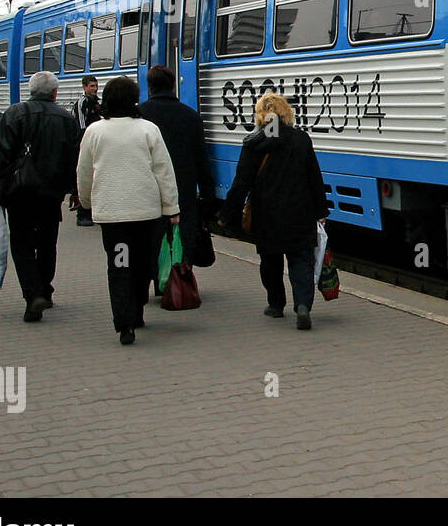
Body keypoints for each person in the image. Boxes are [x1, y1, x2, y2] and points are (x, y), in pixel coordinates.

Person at [77, 77, 180, 345]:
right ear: (135, 98)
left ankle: (125, 322)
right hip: (146, 213)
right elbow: (164, 172)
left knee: (119, 265)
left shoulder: (94, 132)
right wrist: (171, 208)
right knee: (142, 265)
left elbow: (84, 172)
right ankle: (136, 310)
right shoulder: (148, 130)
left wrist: (86, 202)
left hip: (113, 215)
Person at [218, 94, 328, 330]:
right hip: (300, 213)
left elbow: (241, 183)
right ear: (286, 113)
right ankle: (302, 306)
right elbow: (314, 177)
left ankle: (276, 305)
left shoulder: (253, 144)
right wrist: (321, 210)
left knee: (270, 262)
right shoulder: (301, 139)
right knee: (301, 261)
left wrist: (227, 214)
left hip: (267, 215)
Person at [0, 71, 80, 322]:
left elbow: (0, 150)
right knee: (47, 242)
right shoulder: (66, 118)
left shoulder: (15, 113)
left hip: (19, 190)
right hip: (51, 191)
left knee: (22, 243)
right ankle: (45, 290)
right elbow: (74, 157)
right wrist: (75, 190)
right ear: (55, 93)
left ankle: (32, 294)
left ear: (30, 90)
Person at [138, 65, 215, 259]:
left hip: (148, 192)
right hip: (183, 192)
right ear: (173, 85)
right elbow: (201, 160)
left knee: (152, 242)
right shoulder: (191, 116)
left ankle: (158, 280)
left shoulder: (139, 115)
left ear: (150, 86)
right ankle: (180, 280)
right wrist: (208, 197)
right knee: (182, 240)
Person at [70, 75, 102, 226]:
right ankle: (82, 212)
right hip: (83, 143)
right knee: (84, 176)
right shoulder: (81, 103)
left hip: (96, 143)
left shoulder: (96, 102)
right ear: (84, 87)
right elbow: (82, 126)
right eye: (91, 86)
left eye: (96, 86)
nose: (95, 89)